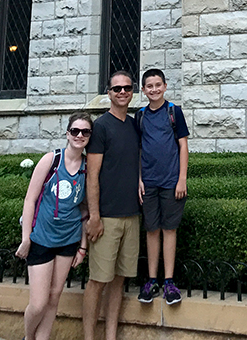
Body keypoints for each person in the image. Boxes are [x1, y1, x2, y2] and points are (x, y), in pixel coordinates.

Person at [16, 111, 92, 340]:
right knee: (38, 303)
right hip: (42, 239)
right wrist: (26, 237)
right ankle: (28, 337)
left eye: (85, 132)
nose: (79, 135)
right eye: (75, 131)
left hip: (68, 240)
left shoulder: (88, 168)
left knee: (54, 297)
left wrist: (83, 246)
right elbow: (30, 200)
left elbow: (86, 209)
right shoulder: (52, 160)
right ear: (67, 133)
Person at [83, 70, 141, 340]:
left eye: (127, 88)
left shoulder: (133, 125)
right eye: (116, 88)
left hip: (132, 215)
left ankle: (110, 336)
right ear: (108, 93)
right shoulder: (101, 127)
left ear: (132, 92)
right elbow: (92, 175)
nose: (122, 92)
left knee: (119, 281)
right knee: (97, 282)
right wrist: (94, 216)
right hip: (106, 218)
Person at [135, 68, 189, 306]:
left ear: (165, 86)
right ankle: (152, 280)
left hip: (171, 182)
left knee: (169, 229)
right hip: (148, 183)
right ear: (144, 90)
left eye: (158, 85)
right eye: (149, 86)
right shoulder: (140, 116)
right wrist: (138, 178)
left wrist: (182, 179)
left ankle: (169, 281)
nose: (154, 89)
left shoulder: (173, 112)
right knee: (151, 230)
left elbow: (183, 146)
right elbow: (137, 150)